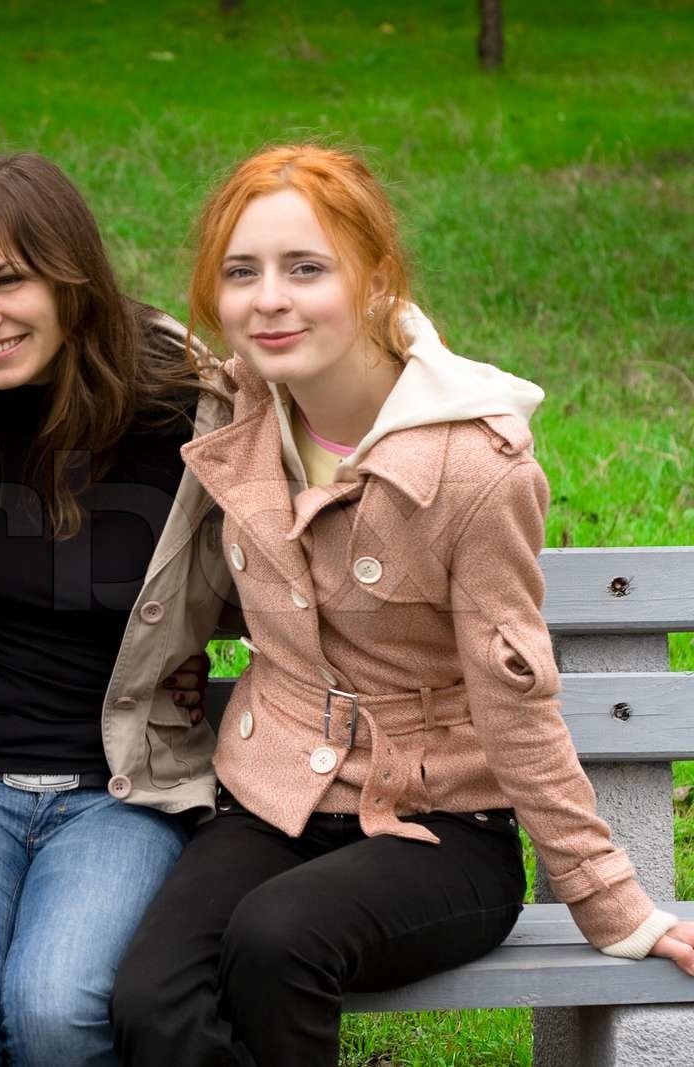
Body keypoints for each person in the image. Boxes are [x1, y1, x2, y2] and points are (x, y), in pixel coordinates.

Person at [107, 143, 694, 1066]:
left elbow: (516, 698)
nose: (270, 298)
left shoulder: (474, 466)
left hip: (442, 827)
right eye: (240, 273)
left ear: (376, 279)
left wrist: (607, 894)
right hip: (276, 800)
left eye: (307, 269)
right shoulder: (244, 408)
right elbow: (91, 339)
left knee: (276, 938)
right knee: (148, 995)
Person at [0, 153, 227, 1066]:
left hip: (122, 795)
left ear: (71, 275)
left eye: (8, 280)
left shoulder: (188, 407)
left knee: (58, 1009)